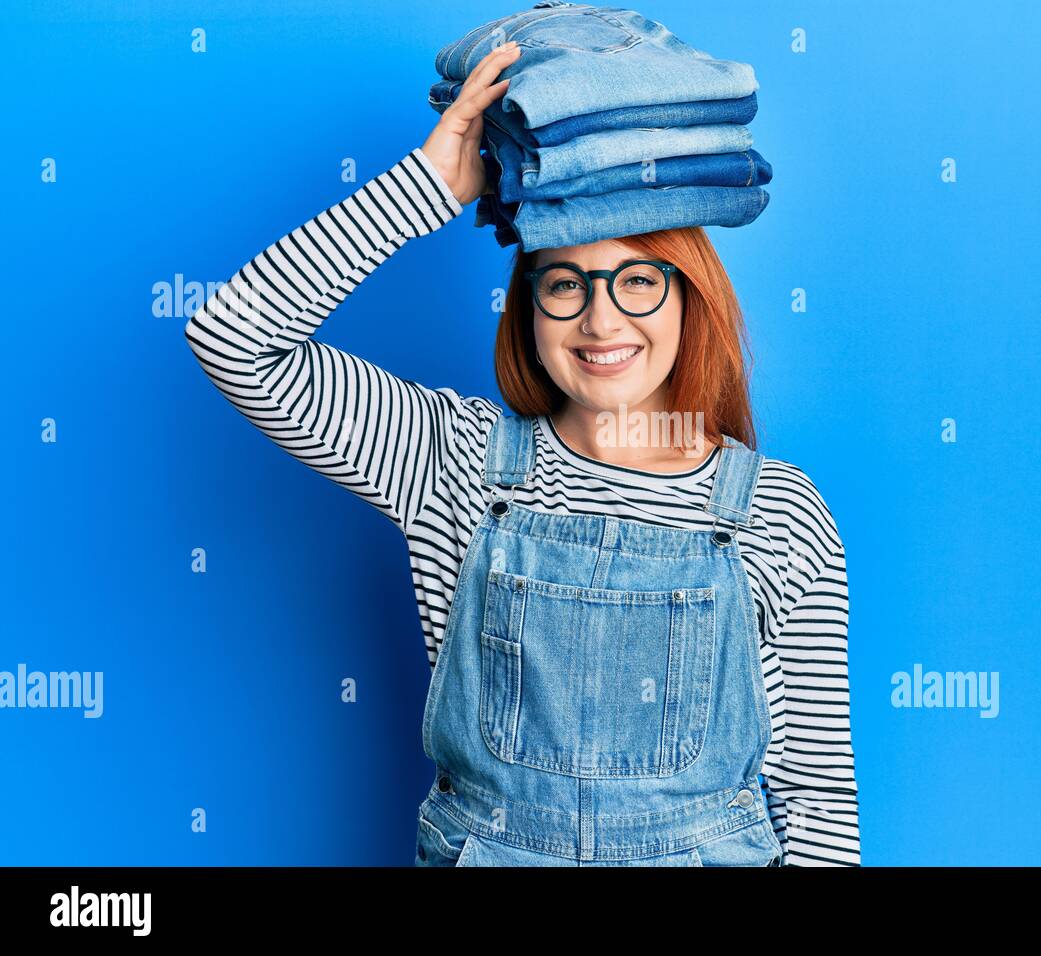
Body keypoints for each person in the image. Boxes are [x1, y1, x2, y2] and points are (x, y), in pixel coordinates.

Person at [184, 40, 859, 866]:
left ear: (692, 297)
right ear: (528, 309)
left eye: (639, 280)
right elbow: (233, 338)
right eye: (565, 282)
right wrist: (427, 187)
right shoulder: (452, 461)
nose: (602, 322)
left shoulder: (777, 512)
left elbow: (814, 795)